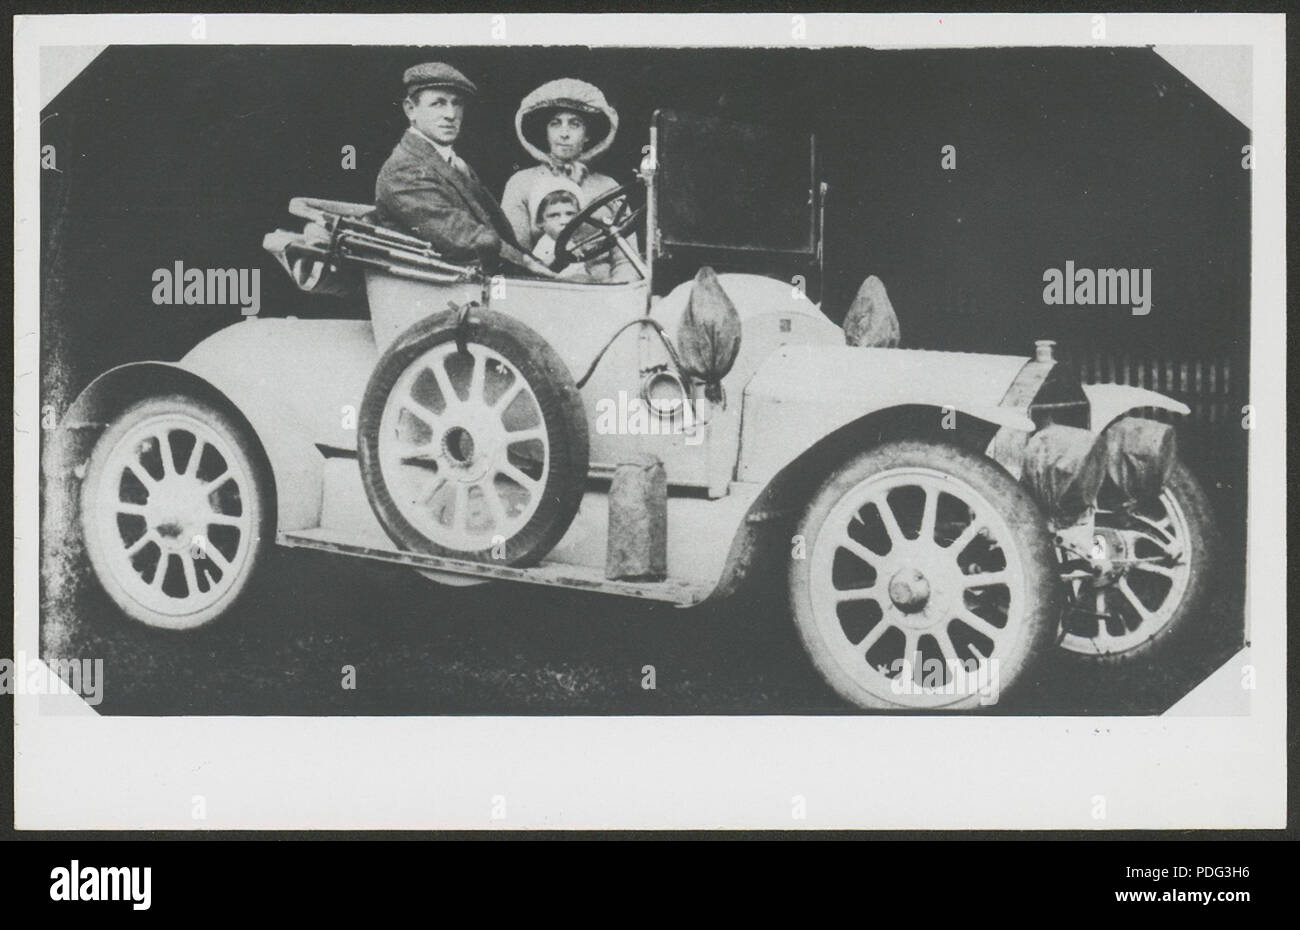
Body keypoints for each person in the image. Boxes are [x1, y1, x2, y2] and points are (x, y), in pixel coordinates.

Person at [374, 62, 554, 277]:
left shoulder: (451, 162)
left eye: (456, 103)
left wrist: (536, 263)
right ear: (410, 109)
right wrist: (528, 264)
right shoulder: (405, 169)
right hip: (442, 291)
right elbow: (464, 237)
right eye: (438, 103)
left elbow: (496, 231)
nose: (450, 114)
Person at [500, 78, 636, 280]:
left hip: (604, 292)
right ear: (545, 132)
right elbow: (515, 256)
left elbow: (626, 259)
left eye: (575, 124)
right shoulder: (521, 183)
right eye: (555, 124)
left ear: (587, 134)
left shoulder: (608, 186)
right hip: (544, 289)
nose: (564, 134)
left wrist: (615, 292)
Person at [528, 182, 588, 279]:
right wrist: (561, 253)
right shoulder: (545, 244)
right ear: (540, 221)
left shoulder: (577, 241)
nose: (564, 221)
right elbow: (539, 268)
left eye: (570, 214)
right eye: (554, 215)